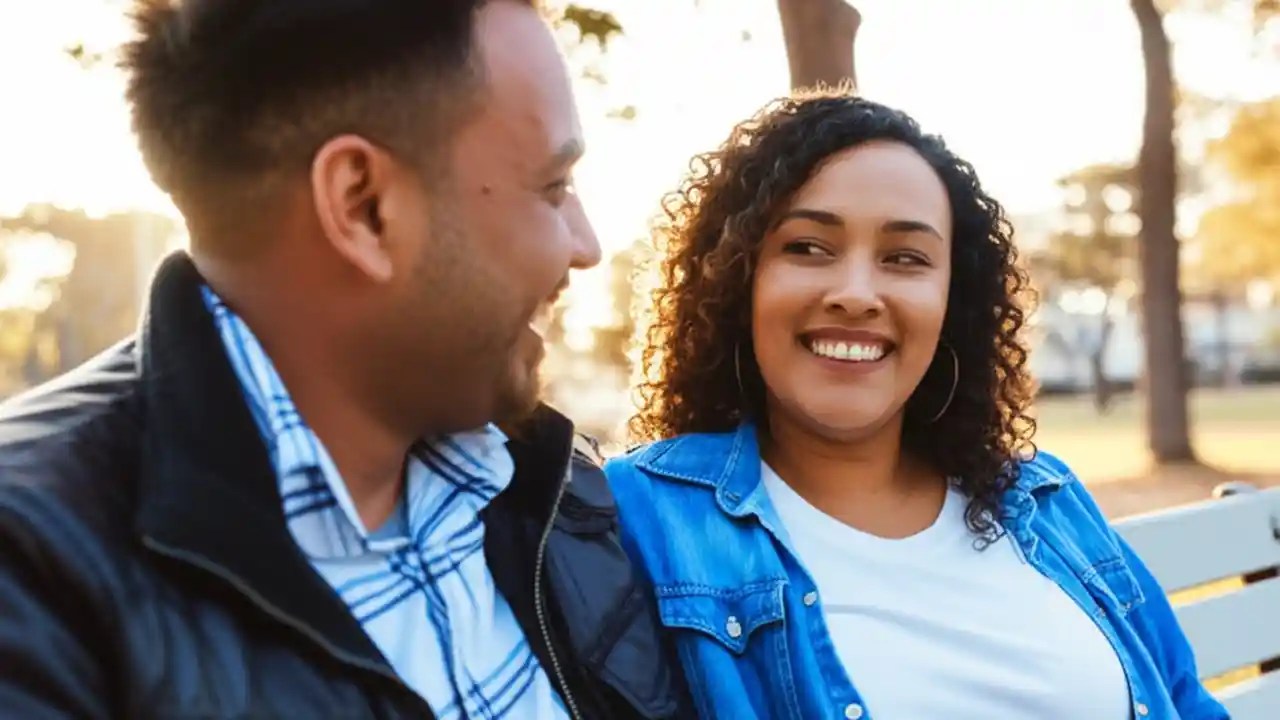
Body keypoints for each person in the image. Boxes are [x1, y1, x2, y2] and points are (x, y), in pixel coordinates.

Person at [0, 1, 690, 718]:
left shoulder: (551, 492)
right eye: (554, 188)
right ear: (364, 207)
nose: (586, 245)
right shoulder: (35, 579)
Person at [606, 91, 1227, 720]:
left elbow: (1186, 702)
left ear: (950, 302)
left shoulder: (1044, 497)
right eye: (808, 248)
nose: (856, 294)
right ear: (740, 279)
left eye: (905, 258)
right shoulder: (644, 513)